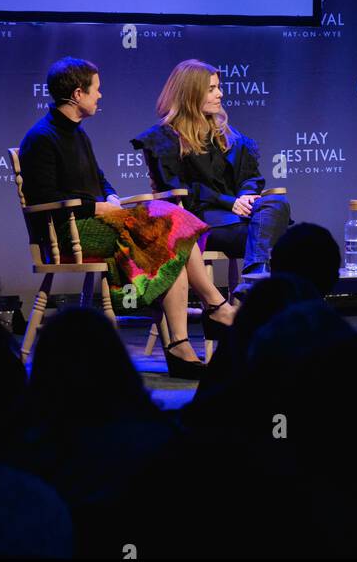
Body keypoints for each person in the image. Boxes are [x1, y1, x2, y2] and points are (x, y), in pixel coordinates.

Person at [19, 57, 237, 377]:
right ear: (78, 94)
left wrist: (109, 197)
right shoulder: (41, 138)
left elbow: (100, 179)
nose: (101, 96)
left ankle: (182, 343)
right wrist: (96, 208)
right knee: (169, 225)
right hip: (69, 234)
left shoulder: (79, 134)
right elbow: (45, 200)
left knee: (173, 229)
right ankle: (214, 310)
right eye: (96, 89)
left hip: (97, 223)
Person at [132, 59, 291, 308]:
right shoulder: (164, 138)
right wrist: (230, 203)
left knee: (276, 202)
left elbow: (250, 175)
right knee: (284, 238)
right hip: (200, 222)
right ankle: (257, 290)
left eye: (218, 87)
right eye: (212, 89)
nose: (221, 94)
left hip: (240, 217)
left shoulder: (225, 133)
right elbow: (181, 191)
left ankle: (253, 280)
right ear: (190, 93)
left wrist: (246, 196)